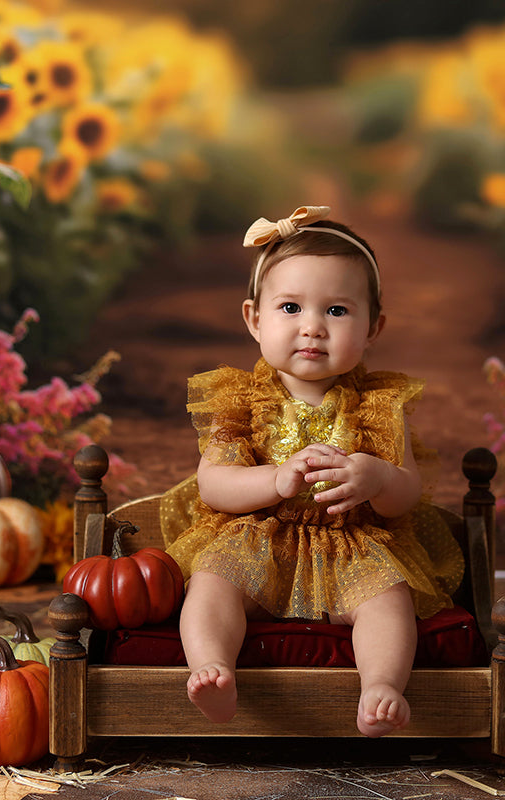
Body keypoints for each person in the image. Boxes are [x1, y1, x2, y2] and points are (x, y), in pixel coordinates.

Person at [165, 205, 463, 737]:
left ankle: (381, 686)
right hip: (257, 539)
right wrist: (274, 480)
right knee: (211, 584)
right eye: (290, 307)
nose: (312, 327)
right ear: (255, 319)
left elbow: (408, 493)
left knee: (388, 600)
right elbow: (214, 485)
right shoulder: (239, 399)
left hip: (352, 545)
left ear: (373, 327)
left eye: (337, 311)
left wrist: (377, 478)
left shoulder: (379, 404)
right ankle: (212, 669)